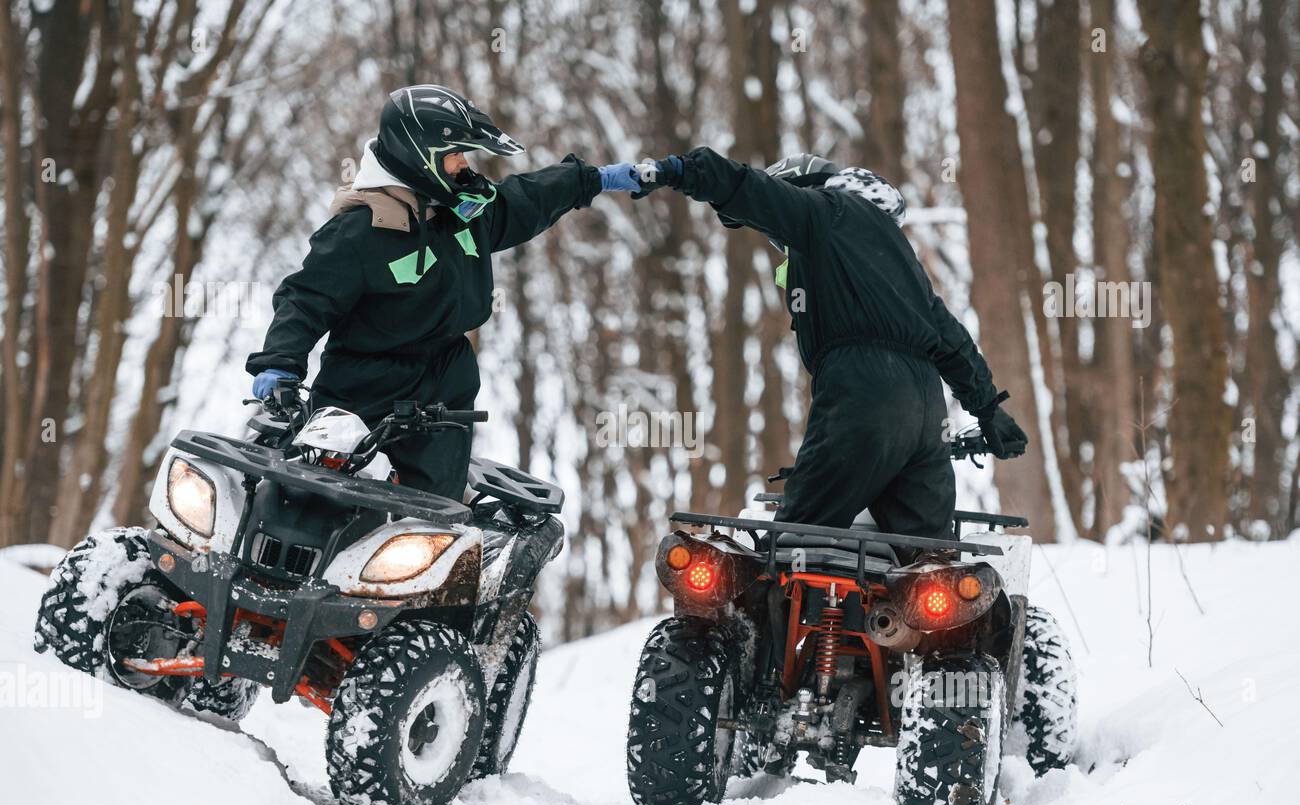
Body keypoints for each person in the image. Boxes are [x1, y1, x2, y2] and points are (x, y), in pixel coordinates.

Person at [246, 84, 643, 496]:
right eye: (454, 155)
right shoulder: (358, 233)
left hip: (443, 400)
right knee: (318, 505)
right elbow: (306, 299)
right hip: (359, 397)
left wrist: (593, 179)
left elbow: (528, 198)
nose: (462, 164)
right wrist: (279, 365)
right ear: (420, 156)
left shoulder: (465, 214)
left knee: (425, 530)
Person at [632, 150, 1028, 541]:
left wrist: (680, 171)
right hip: (926, 414)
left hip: (865, 394)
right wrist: (989, 409)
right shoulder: (902, 259)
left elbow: (745, 186)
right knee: (927, 565)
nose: (784, 251)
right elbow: (950, 336)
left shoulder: (826, 211)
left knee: (793, 545)